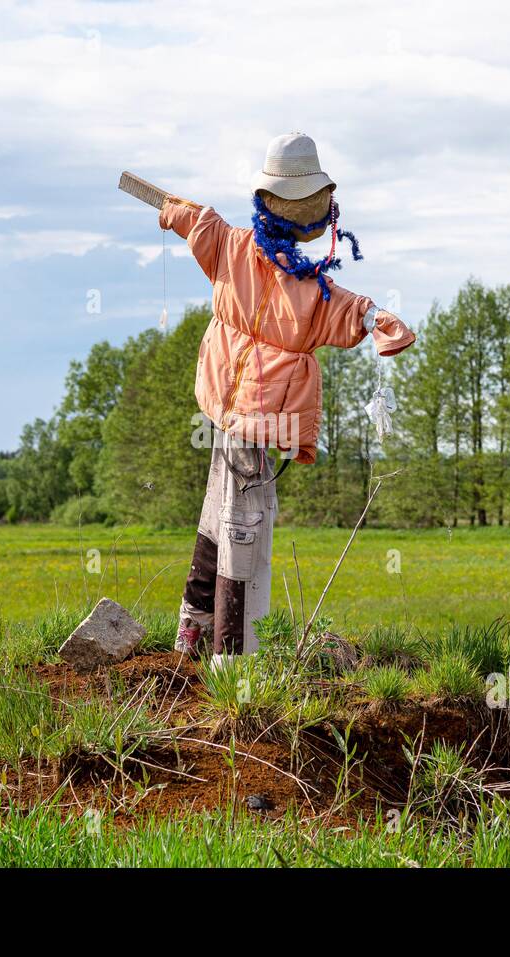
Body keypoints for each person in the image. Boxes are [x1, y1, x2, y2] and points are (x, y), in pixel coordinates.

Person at [157, 132, 416, 665]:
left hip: (230, 417)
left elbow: (199, 222)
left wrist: (378, 320)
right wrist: (377, 320)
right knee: (240, 533)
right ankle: (235, 662)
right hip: (250, 424)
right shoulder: (283, 275)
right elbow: (349, 310)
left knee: (219, 520)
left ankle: (194, 632)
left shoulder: (240, 254)